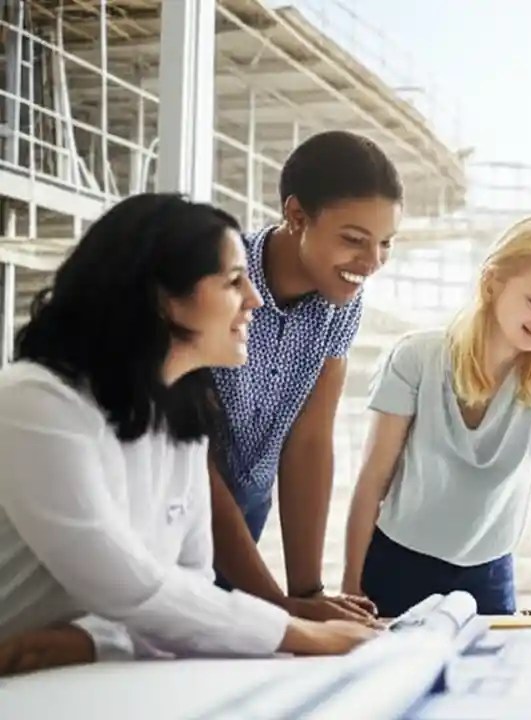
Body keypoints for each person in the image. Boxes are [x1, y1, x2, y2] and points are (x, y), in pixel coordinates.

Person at [0, 194, 377, 677]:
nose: (254, 300)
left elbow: (189, 587)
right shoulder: (34, 404)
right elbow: (122, 584)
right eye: (233, 282)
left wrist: (94, 641)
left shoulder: (180, 423)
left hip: (59, 683)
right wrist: (297, 631)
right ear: (162, 298)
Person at [341, 217, 531, 627]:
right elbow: (373, 480)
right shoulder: (415, 358)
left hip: (489, 575)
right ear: (492, 283)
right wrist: (350, 587)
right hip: (396, 564)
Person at [208, 130, 401, 625]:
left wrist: (307, 590)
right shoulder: (219, 280)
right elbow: (189, 461)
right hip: (183, 503)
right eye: (354, 240)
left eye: (385, 244)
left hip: (245, 512)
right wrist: (277, 603)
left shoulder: (344, 302)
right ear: (297, 217)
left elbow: (311, 440)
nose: (372, 262)